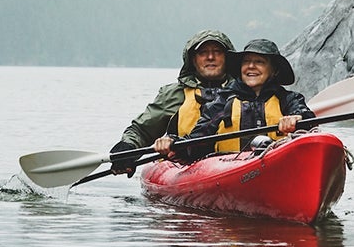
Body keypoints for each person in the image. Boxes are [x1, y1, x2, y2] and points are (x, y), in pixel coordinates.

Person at [107, 29, 235, 174]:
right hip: (184, 166)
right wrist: (127, 147)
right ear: (193, 60)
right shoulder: (174, 94)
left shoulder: (247, 92)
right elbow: (142, 130)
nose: (210, 57)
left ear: (227, 58)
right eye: (203, 52)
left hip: (235, 164)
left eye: (217, 52)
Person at [174, 38, 314, 161]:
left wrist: (297, 119)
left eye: (259, 62)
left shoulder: (289, 99)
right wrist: (173, 143)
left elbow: (307, 119)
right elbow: (196, 141)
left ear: (274, 70)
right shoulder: (222, 101)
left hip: (277, 164)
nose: (251, 66)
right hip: (230, 170)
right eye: (246, 61)